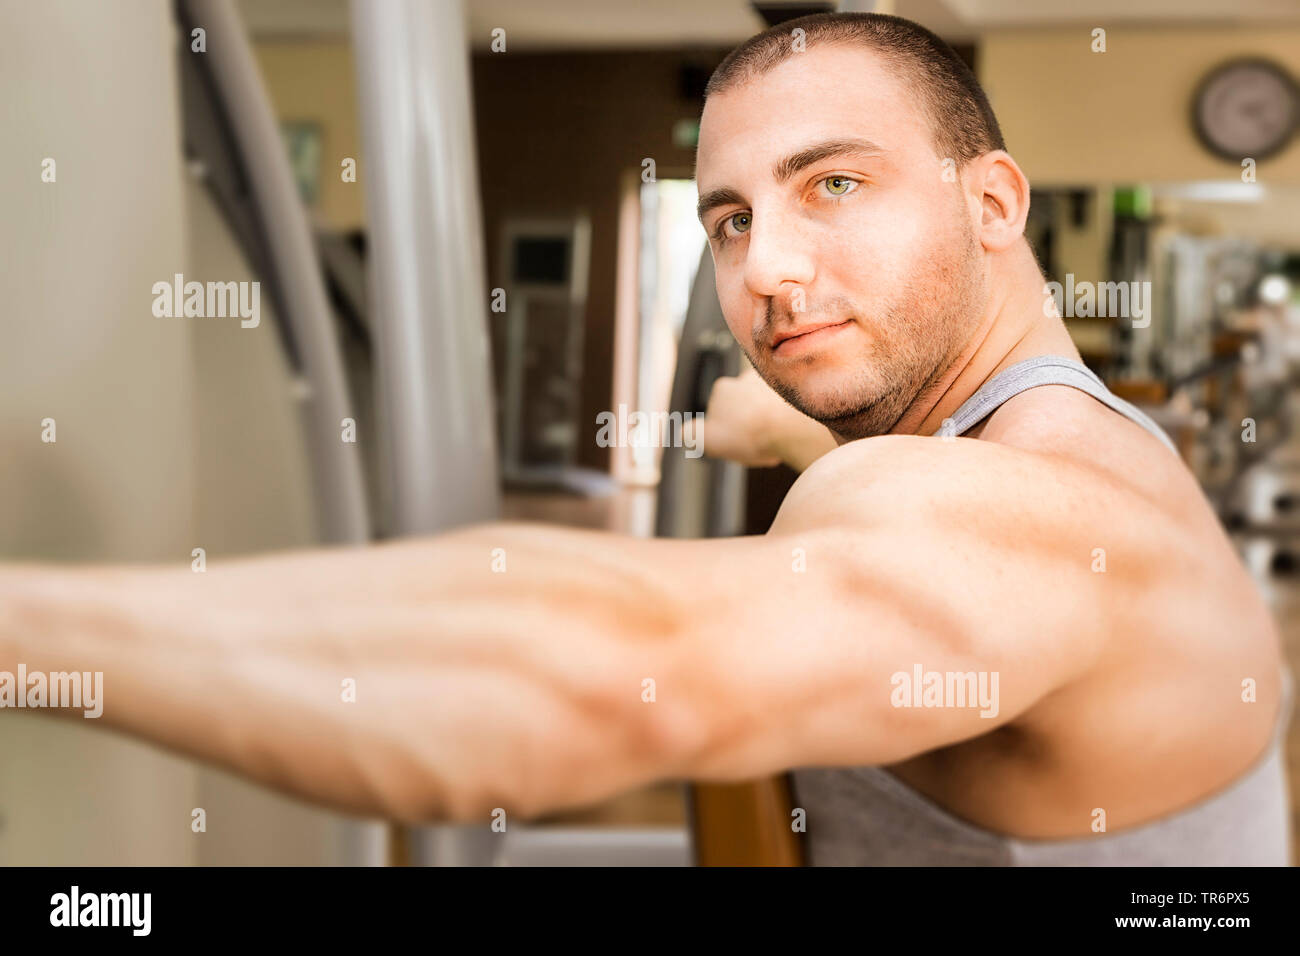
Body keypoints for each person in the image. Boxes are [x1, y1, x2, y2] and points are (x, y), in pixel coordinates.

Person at [1, 12, 1289, 864]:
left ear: (995, 201)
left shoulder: (1036, 512)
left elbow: (607, 674)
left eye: (834, 183)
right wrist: (782, 431)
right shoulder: (1052, 444)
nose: (769, 270)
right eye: (729, 218)